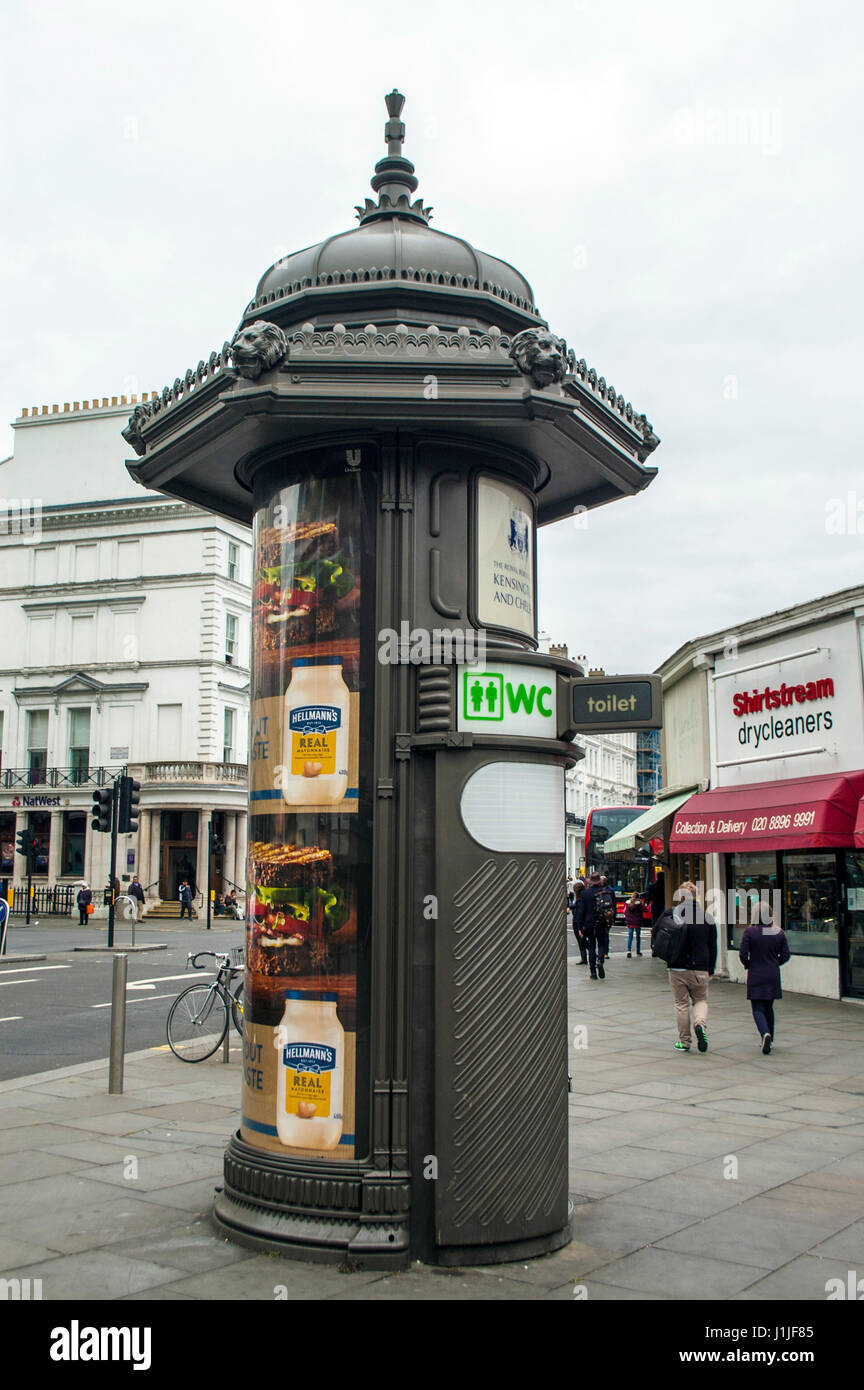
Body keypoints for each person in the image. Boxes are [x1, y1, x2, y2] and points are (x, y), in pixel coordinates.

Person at [654, 880, 717, 1052]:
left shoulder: (671, 914)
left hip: (677, 967)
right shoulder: (707, 917)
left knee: (681, 1004)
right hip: (701, 967)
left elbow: (656, 933)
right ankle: (700, 1024)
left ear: (681, 897)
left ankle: (685, 1041)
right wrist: (710, 968)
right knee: (701, 1000)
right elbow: (713, 946)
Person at [738, 902, 790, 1054]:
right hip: (773, 974)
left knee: (757, 1008)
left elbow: (742, 954)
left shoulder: (750, 932)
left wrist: (748, 964)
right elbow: (786, 955)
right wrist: (775, 963)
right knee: (769, 1007)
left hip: (756, 973)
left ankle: (764, 1033)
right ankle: (770, 1038)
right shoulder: (778, 933)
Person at [574, 873, 610, 979]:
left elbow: (581, 911)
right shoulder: (607, 892)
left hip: (589, 923)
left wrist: (580, 927)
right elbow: (611, 908)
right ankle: (600, 960)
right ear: (599, 881)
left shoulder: (585, 894)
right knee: (602, 943)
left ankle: (593, 972)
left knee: (591, 946)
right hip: (602, 922)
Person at [570, 879, 587, 964]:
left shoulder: (579, 900)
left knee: (581, 940)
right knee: (582, 940)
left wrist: (580, 927)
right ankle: (584, 958)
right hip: (581, 922)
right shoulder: (583, 898)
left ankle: (586, 957)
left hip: (577, 923)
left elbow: (579, 912)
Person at [624, 893, 644, 957]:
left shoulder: (628, 903)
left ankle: (628, 951)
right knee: (638, 937)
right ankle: (638, 951)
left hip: (630, 922)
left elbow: (625, 911)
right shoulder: (639, 903)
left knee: (630, 936)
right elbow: (645, 909)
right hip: (638, 922)